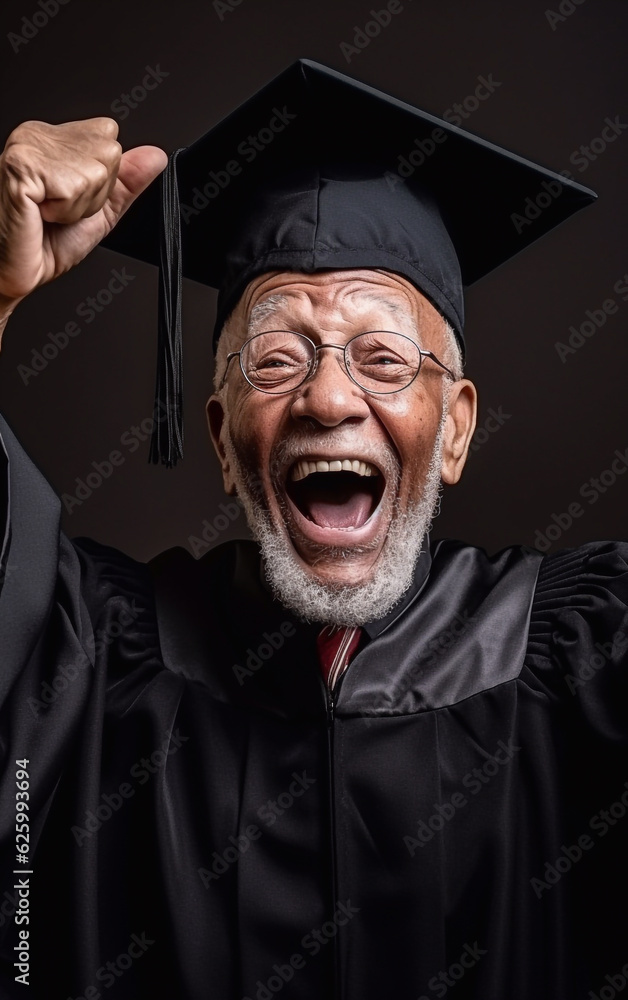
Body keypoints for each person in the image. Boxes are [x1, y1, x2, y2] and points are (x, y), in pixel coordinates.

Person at [0, 59, 626, 1000]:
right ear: (219, 438)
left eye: (381, 356)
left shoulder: (584, 661)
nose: (328, 396)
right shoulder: (92, 666)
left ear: (453, 427)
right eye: (276, 357)